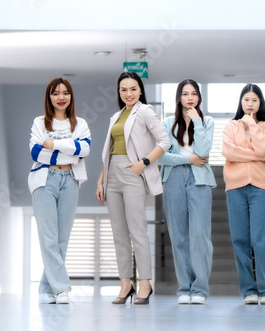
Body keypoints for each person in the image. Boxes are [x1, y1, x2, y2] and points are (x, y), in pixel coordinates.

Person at [96, 72, 170, 305]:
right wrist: (101, 180)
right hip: (112, 174)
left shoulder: (145, 111)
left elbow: (165, 141)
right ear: (119, 92)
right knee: (119, 234)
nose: (128, 93)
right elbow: (110, 150)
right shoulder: (116, 116)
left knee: (137, 231)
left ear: (140, 91)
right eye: (123, 89)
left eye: (133, 89)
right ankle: (126, 284)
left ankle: (145, 284)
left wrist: (144, 162)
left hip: (132, 172)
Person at [28, 77, 91, 304]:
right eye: (56, 93)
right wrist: (69, 150)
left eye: (65, 93)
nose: (61, 97)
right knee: (49, 237)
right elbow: (36, 153)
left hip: (70, 179)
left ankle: (47, 289)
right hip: (45, 179)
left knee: (62, 238)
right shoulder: (39, 123)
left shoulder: (80, 124)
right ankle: (62, 288)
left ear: (71, 96)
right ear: (49, 97)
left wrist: (54, 145)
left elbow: (84, 150)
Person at [159, 79, 216, 304]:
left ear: (199, 98)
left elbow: (204, 151)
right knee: (178, 236)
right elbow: (161, 156)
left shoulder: (207, 121)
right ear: (179, 98)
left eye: (194, 94)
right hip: (173, 178)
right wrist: (188, 158)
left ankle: (200, 289)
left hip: (199, 179)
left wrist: (197, 123)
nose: (190, 98)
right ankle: (184, 288)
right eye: (185, 93)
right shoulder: (166, 123)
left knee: (200, 235)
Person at [222, 83, 265, 305]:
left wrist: (252, 127)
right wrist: (260, 155)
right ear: (241, 102)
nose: (250, 104)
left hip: (260, 187)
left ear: (260, 103)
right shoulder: (230, 126)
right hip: (235, 187)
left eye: (255, 100)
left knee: (260, 240)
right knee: (240, 240)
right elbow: (228, 152)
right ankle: (249, 291)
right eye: (247, 99)